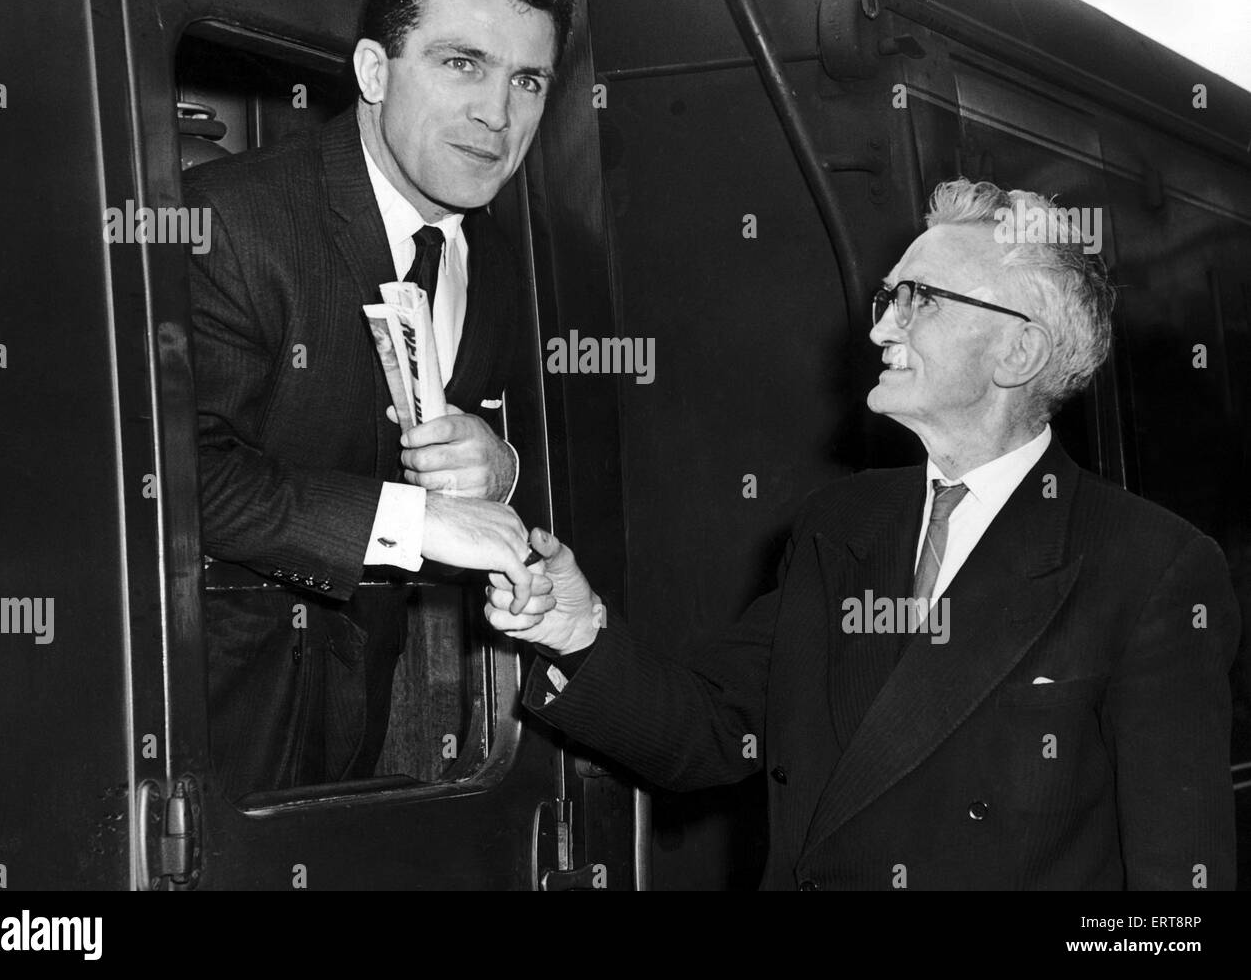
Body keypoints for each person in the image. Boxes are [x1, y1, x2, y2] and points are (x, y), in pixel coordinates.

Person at [485, 179, 1242, 890]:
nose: (881, 324)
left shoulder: (1150, 569)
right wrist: (577, 631)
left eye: (921, 300)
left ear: (1020, 351)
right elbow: (715, 732)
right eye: (889, 296)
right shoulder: (841, 523)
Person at [184, 0, 574, 799]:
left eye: (527, 80)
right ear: (371, 71)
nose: (497, 114)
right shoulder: (232, 222)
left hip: (363, 716)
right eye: (461, 63)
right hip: (212, 725)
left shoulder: (499, 265)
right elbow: (176, 481)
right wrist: (417, 519)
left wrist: (501, 467)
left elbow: (528, 484)